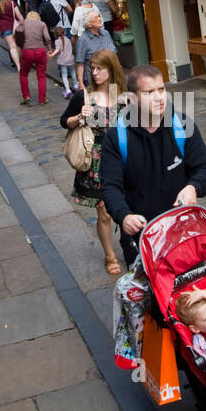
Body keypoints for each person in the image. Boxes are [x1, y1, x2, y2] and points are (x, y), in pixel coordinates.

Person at [99, 64, 206, 267]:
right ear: (132, 99)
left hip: (183, 231)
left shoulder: (183, 126)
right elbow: (110, 186)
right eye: (149, 92)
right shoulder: (117, 137)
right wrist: (124, 216)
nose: (159, 97)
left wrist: (193, 187)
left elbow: (204, 168)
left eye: (161, 89)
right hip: (140, 237)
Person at [60, 50, 126, 275]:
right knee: (104, 212)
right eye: (93, 69)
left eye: (100, 68)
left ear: (112, 69)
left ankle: (132, 248)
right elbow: (63, 122)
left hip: (121, 158)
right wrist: (80, 118)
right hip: (96, 159)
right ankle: (110, 256)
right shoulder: (84, 96)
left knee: (129, 206)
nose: (95, 73)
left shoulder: (122, 95)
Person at [17, 10, 55, 105]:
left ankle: (26, 96)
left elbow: (17, 35)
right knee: (41, 76)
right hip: (40, 51)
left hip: (27, 51)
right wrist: (49, 49)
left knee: (23, 74)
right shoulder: (42, 24)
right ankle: (42, 99)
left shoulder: (23, 23)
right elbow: (47, 38)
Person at [74, 10, 117, 91]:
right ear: (89, 25)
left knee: (114, 100)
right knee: (96, 103)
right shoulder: (83, 40)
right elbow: (80, 64)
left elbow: (114, 54)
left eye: (99, 16)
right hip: (94, 81)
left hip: (112, 78)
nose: (100, 19)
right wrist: (81, 84)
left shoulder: (106, 34)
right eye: (96, 17)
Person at [0, 0, 23, 70]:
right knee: (18, 46)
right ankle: (20, 61)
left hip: (5, 28)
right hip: (15, 26)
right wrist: (23, 22)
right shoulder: (12, 3)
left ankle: (18, 66)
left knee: (12, 47)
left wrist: (0, 30)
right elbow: (18, 15)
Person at [52, 26, 75, 97]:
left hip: (63, 61)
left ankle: (68, 90)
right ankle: (76, 84)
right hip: (70, 59)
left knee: (64, 76)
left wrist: (52, 54)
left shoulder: (57, 41)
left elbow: (57, 50)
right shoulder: (68, 40)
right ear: (64, 32)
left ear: (55, 34)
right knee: (73, 72)